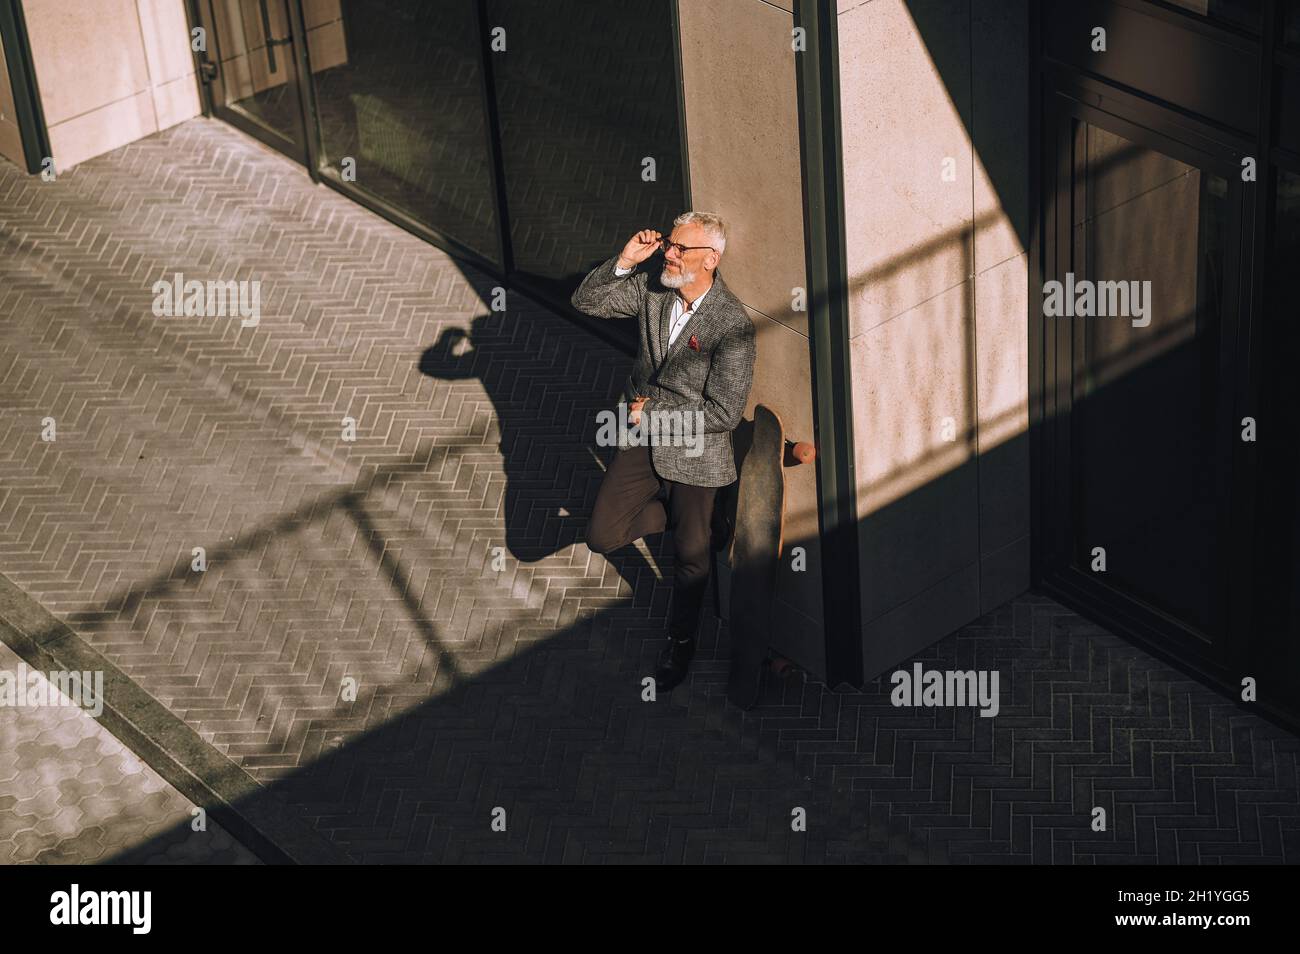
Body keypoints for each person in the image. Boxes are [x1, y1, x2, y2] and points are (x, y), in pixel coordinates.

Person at [572, 211, 756, 690]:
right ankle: (700, 521)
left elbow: (724, 414)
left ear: (710, 259)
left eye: (680, 248)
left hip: (694, 452)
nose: (669, 254)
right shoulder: (655, 289)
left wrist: (652, 416)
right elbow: (586, 301)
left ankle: (681, 643)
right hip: (640, 438)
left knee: (690, 562)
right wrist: (624, 261)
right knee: (602, 533)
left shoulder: (731, 324)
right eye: (670, 244)